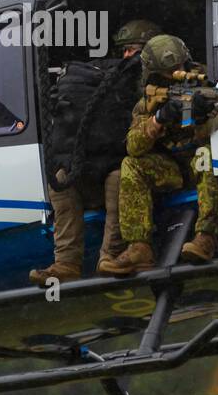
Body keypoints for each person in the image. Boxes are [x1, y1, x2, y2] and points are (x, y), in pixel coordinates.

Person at [29, 19, 162, 286]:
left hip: (138, 169)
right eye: (123, 50)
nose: (127, 56)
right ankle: (65, 263)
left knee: (119, 176)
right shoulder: (114, 80)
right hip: (91, 169)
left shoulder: (153, 81)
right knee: (61, 182)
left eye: (133, 49)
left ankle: (111, 255)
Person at [100, 34, 218, 277]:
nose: (179, 72)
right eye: (171, 70)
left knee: (208, 154)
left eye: (181, 67)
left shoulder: (205, 83)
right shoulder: (149, 98)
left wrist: (202, 115)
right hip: (173, 169)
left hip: (199, 160)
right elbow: (134, 146)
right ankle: (139, 248)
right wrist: (159, 119)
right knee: (130, 165)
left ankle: (206, 237)